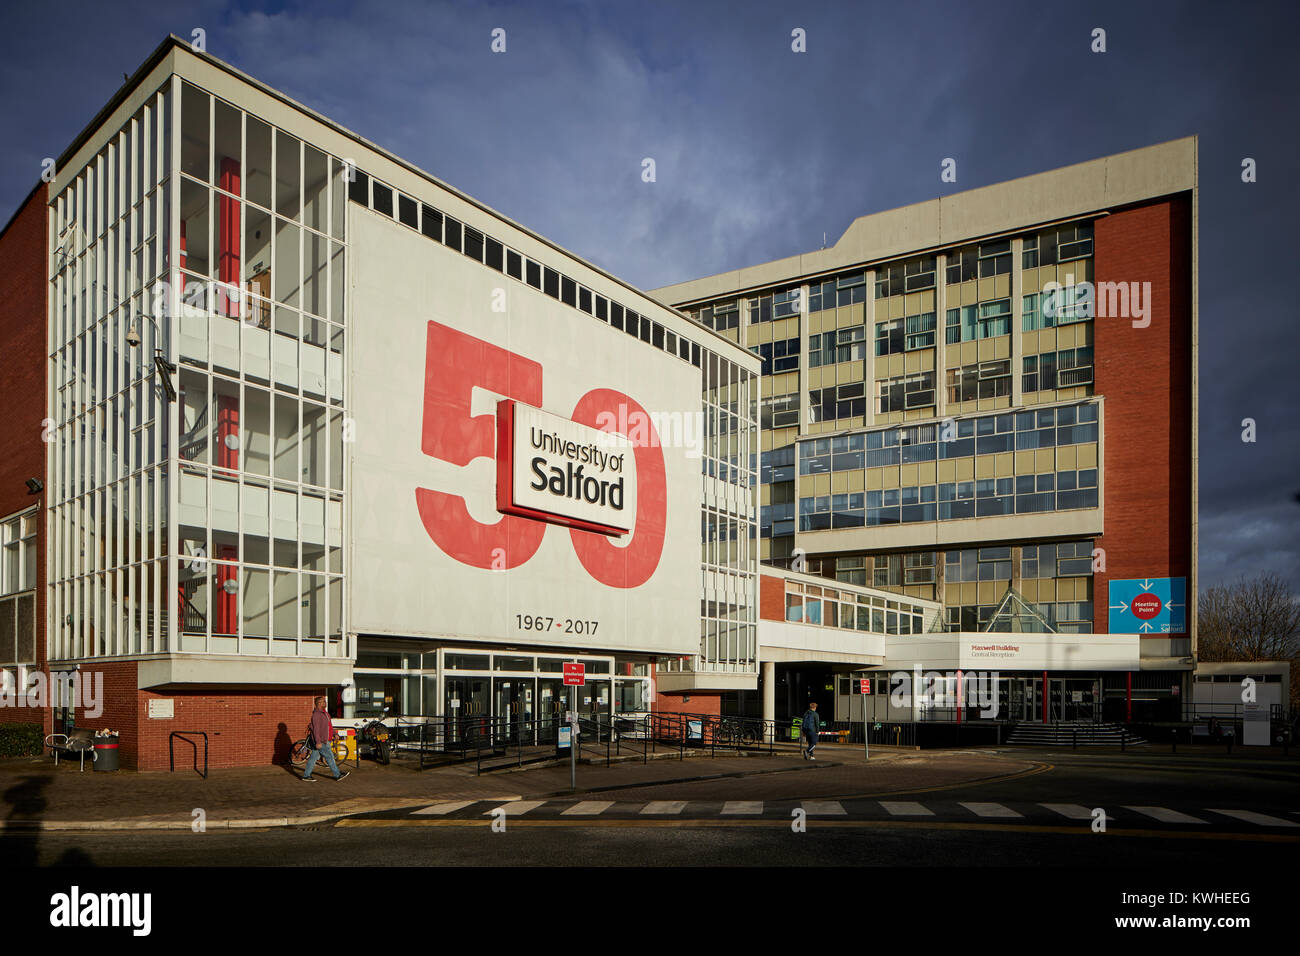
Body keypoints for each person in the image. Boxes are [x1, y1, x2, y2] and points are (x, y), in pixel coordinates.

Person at [302, 696, 350, 782]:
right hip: (322, 741)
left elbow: (329, 726)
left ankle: (306, 775)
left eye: (325, 701)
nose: (325, 703)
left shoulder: (325, 714)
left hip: (325, 740)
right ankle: (337, 775)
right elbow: (316, 729)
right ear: (318, 703)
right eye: (323, 701)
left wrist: (335, 733)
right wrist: (318, 742)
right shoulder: (316, 715)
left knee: (313, 758)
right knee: (330, 757)